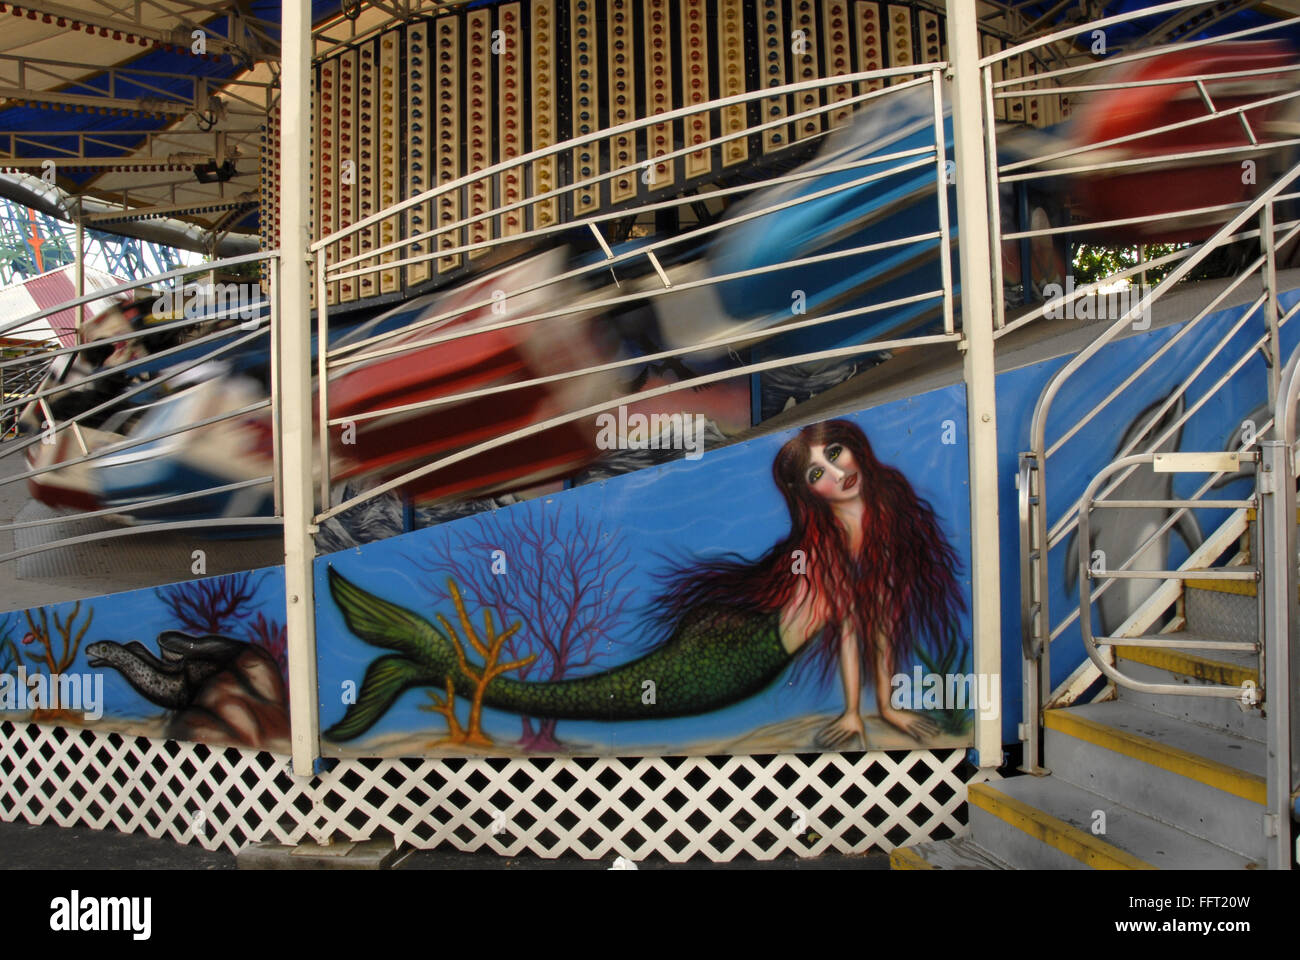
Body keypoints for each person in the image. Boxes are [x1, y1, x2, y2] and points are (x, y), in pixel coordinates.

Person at [656, 418, 966, 748]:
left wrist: (886, 709)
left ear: (853, 446)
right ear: (807, 492)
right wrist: (851, 713)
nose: (837, 474)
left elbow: (883, 619)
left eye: (835, 452)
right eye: (816, 474)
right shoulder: (823, 543)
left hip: (765, 642)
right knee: (683, 681)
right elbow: (847, 627)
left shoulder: (887, 509)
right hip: (761, 641)